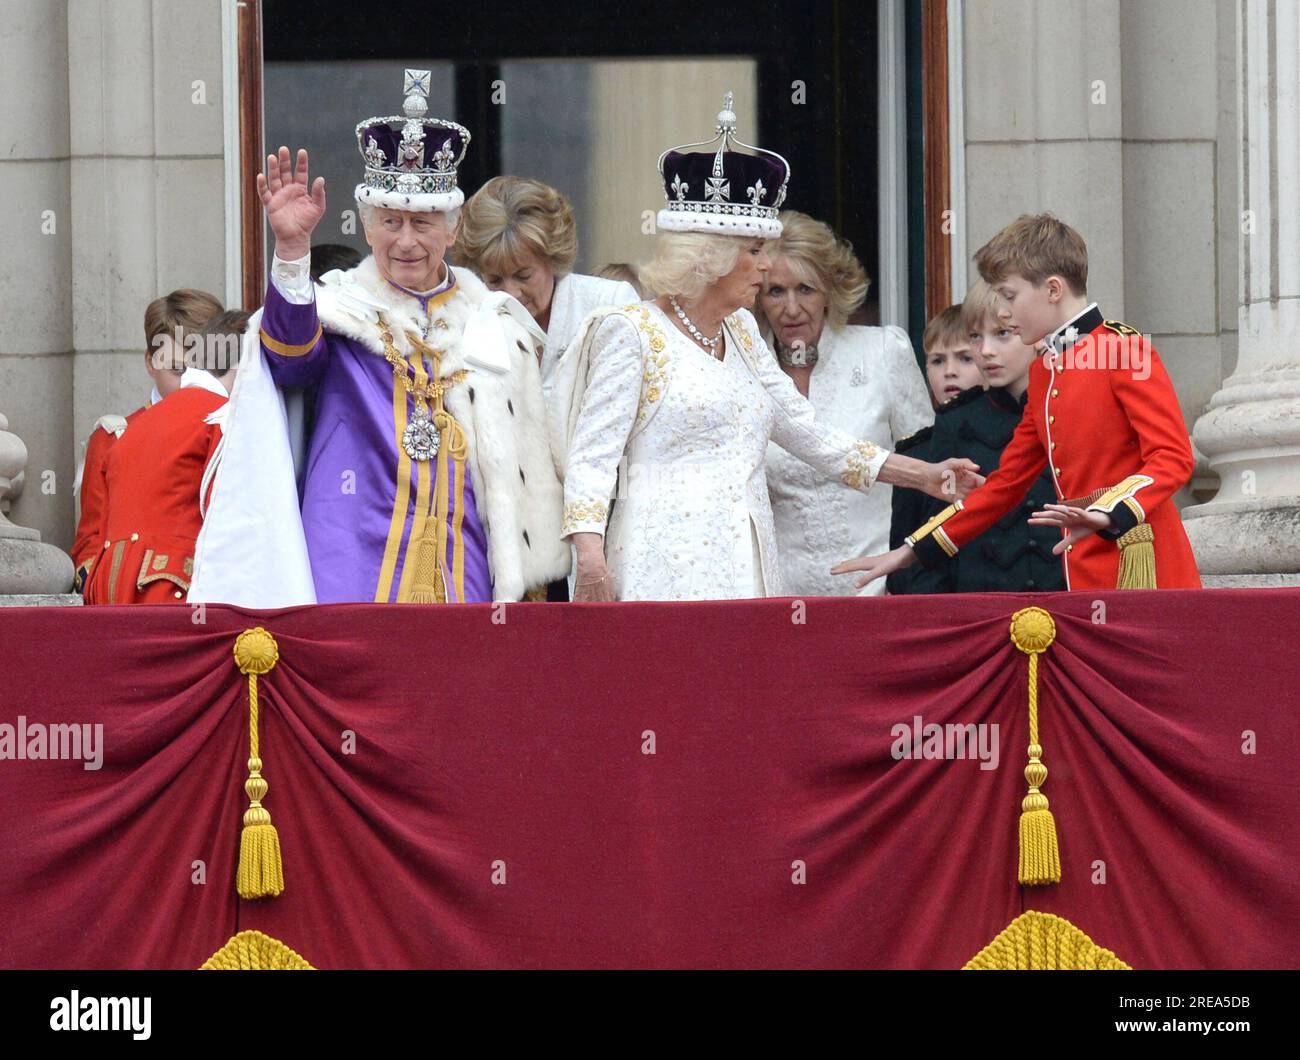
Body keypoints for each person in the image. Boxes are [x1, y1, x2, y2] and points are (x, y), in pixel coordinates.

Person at [551, 94, 982, 602]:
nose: (763, 268)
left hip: (748, 565)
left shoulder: (743, 333)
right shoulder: (633, 331)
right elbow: (592, 459)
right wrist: (591, 560)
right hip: (658, 567)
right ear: (710, 256)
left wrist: (923, 475)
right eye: (754, 252)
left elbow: (808, 433)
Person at [188, 70, 568, 607]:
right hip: (351, 567)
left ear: (453, 229)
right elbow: (290, 358)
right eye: (391, 221)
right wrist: (293, 253)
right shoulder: (339, 310)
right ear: (366, 227)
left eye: (423, 222)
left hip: (467, 573)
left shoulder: (496, 324)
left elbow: (527, 468)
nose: (406, 241)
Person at [835, 212, 1201, 591]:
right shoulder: (1045, 370)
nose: (1005, 312)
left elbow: (1173, 457)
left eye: (1009, 296)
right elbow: (1004, 485)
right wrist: (914, 549)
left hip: (1142, 563)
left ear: (1053, 290)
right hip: (1080, 573)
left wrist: (1110, 513)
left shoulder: (1123, 351)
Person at [757, 210, 933, 597]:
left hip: (879, 594)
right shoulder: (745, 371)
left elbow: (925, 479)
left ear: (830, 291)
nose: (791, 308)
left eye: (806, 289)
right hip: (779, 599)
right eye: (775, 291)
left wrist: (912, 575)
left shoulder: (883, 351)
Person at [889, 282, 1067, 594]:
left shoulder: (1069, 411)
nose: (985, 350)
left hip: (1070, 608)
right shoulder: (955, 424)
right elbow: (932, 542)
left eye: (1002, 333)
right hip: (980, 615)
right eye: (975, 337)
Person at [82, 311, 244, 605]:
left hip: (111, 590)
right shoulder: (222, 417)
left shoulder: (130, 431)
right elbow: (229, 525)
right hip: (176, 588)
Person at [455, 175, 640, 399]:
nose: (510, 293)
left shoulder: (610, 305)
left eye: (523, 275)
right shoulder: (466, 320)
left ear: (553, 258)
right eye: (494, 280)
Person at [885, 304, 975, 595]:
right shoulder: (914, 454)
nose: (950, 372)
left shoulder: (1015, 443)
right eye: (937, 361)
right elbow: (901, 563)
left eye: (964, 358)